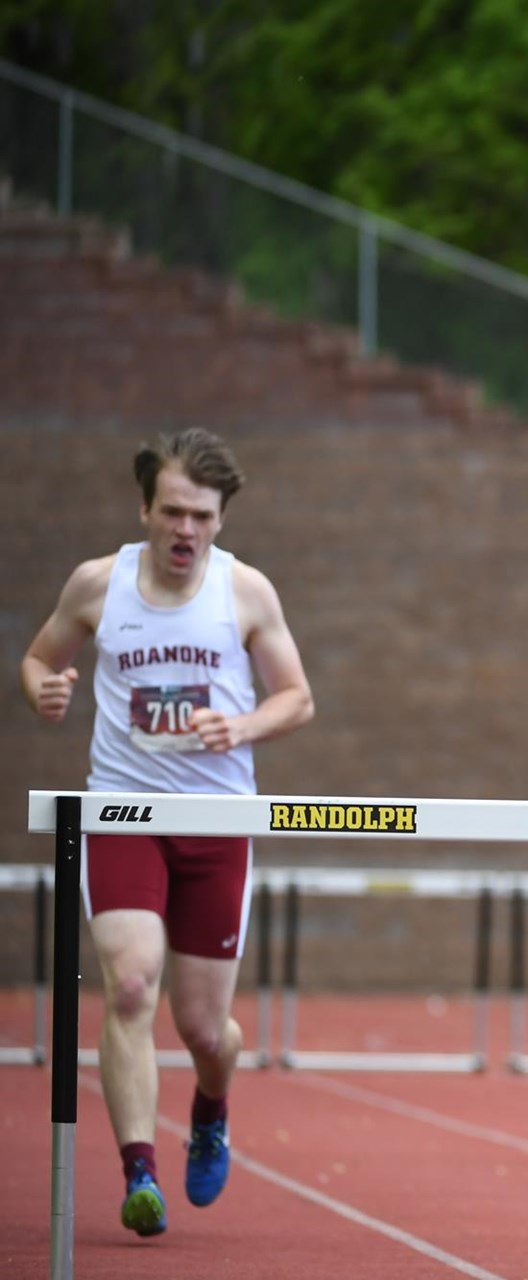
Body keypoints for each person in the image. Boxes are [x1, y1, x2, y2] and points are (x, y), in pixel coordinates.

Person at [20, 428, 315, 1238]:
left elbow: (299, 698)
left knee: (201, 1028)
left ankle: (212, 1104)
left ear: (222, 521)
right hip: (122, 814)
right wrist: (44, 690)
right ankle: (140, 1169)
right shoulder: (97, 585)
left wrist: (243, 723)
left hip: (217, 823)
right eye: (174, 512)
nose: (187, 531)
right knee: (129, 985)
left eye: (204, 517)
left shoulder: (246, 591)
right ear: (145, 507)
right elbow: (39, 660)